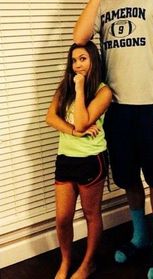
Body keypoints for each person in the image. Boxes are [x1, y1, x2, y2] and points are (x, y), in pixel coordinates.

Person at [73, 0, 153, 279]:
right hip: (116, 109)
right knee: (129, 178)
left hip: (150, 106)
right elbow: (80, 37)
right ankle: (140, 236)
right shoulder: (103, 6)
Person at [46, 41, 112, 279]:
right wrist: (73, 131)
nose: (77, 65)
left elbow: (83, 121)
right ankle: (65, 262)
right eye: (74, 60)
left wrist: (81, 88)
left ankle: (87, 264)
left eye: (83, 59)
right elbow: (51, 117)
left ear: (93, 60)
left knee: (91, 214)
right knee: (62, 218)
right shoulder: (65, 87)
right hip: (65, 158)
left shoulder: (103, 91)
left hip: (91, 159)